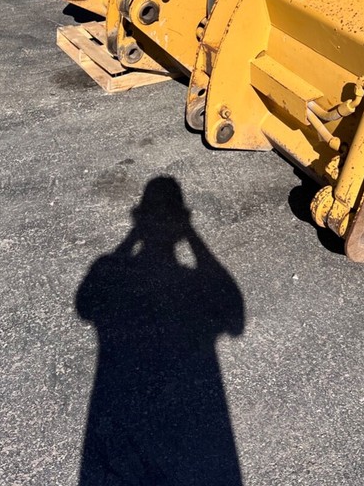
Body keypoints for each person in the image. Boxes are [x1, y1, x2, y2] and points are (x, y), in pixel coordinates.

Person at [75, 176, 245, 485]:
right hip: (190, 397)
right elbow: (234, 317)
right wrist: (191, 234)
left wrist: (132, 236)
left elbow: (86, 305)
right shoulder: (192, 279)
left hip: (120, 388)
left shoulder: (108, 268)